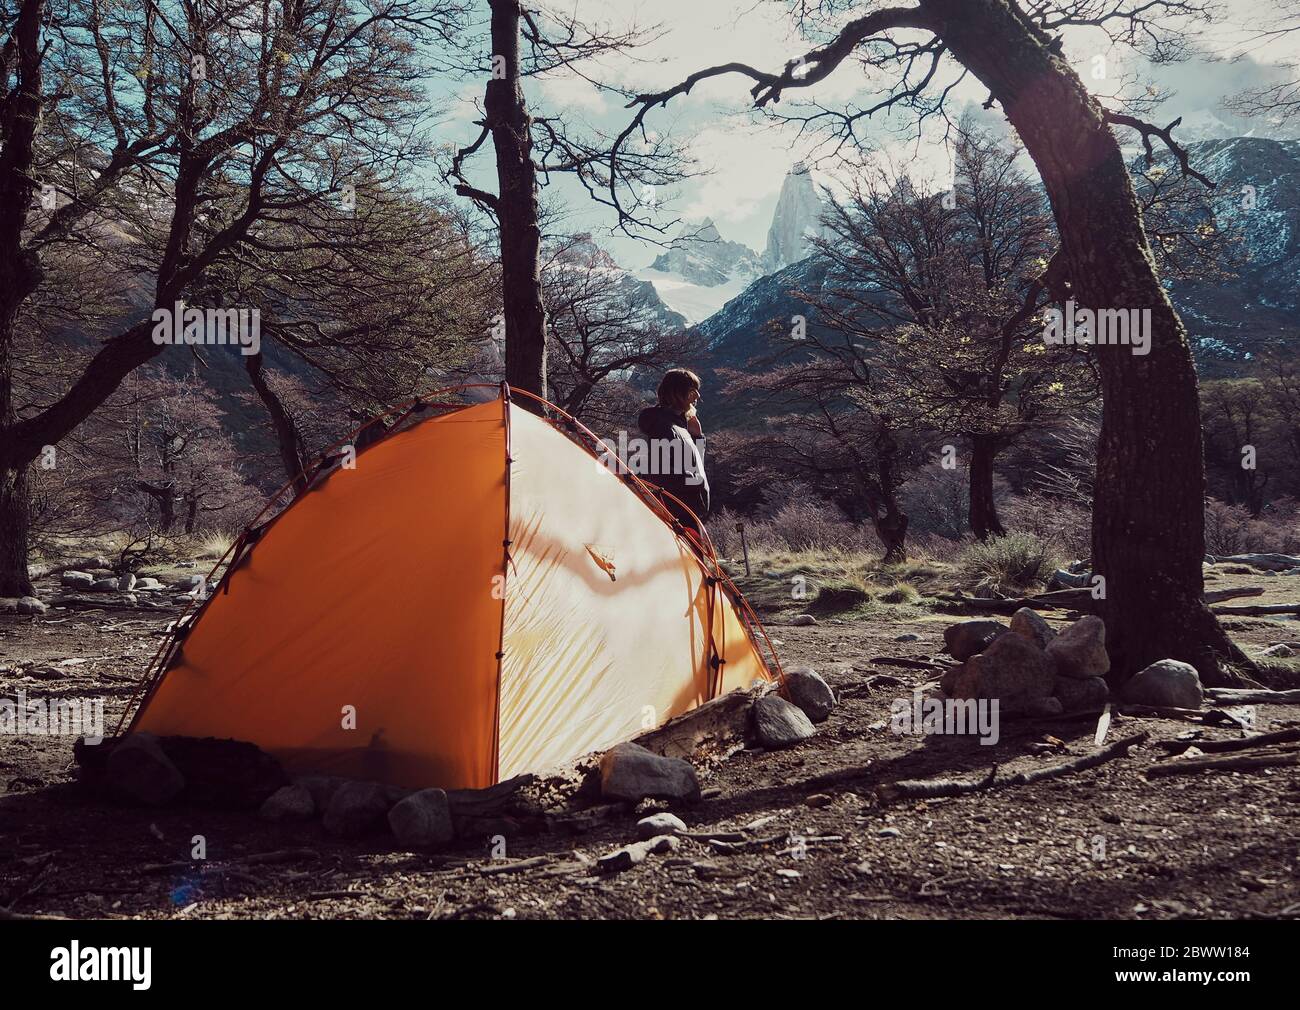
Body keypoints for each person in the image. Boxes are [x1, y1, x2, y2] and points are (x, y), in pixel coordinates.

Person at [636, 368, 710, 538]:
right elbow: (661, 474)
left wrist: (698, 438)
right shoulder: (663, 426)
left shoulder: (679, 425)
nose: (698, 396)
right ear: (678, 393)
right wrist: (695, 487)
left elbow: (693, 464)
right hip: (678, 516)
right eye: (692, 391)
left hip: (688, 512)